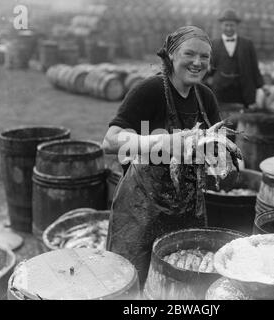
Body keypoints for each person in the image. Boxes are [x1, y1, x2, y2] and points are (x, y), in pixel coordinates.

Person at [102, 26, 223, 285]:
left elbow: (218, 150)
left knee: (177, 281)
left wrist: (216, 154)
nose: (197, 62)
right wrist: (160, 141)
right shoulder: (150, 90)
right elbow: (110, 141)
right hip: (141, 212)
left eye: (205, 57)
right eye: (189, 54)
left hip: (187, 210)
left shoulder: (206, 97)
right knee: (131, 279)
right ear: (170, 56)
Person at [209, 8, 269, 110]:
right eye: (226, 25)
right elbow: (210, 67)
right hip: (220, 90)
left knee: (242, 119)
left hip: (242, 90)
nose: (229, 28)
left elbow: (254, 67)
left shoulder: (247, 44)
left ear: (237, 26)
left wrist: (262, 86)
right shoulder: (213, 44)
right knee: (221, 119)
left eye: (232, 25)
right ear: (221, 26)